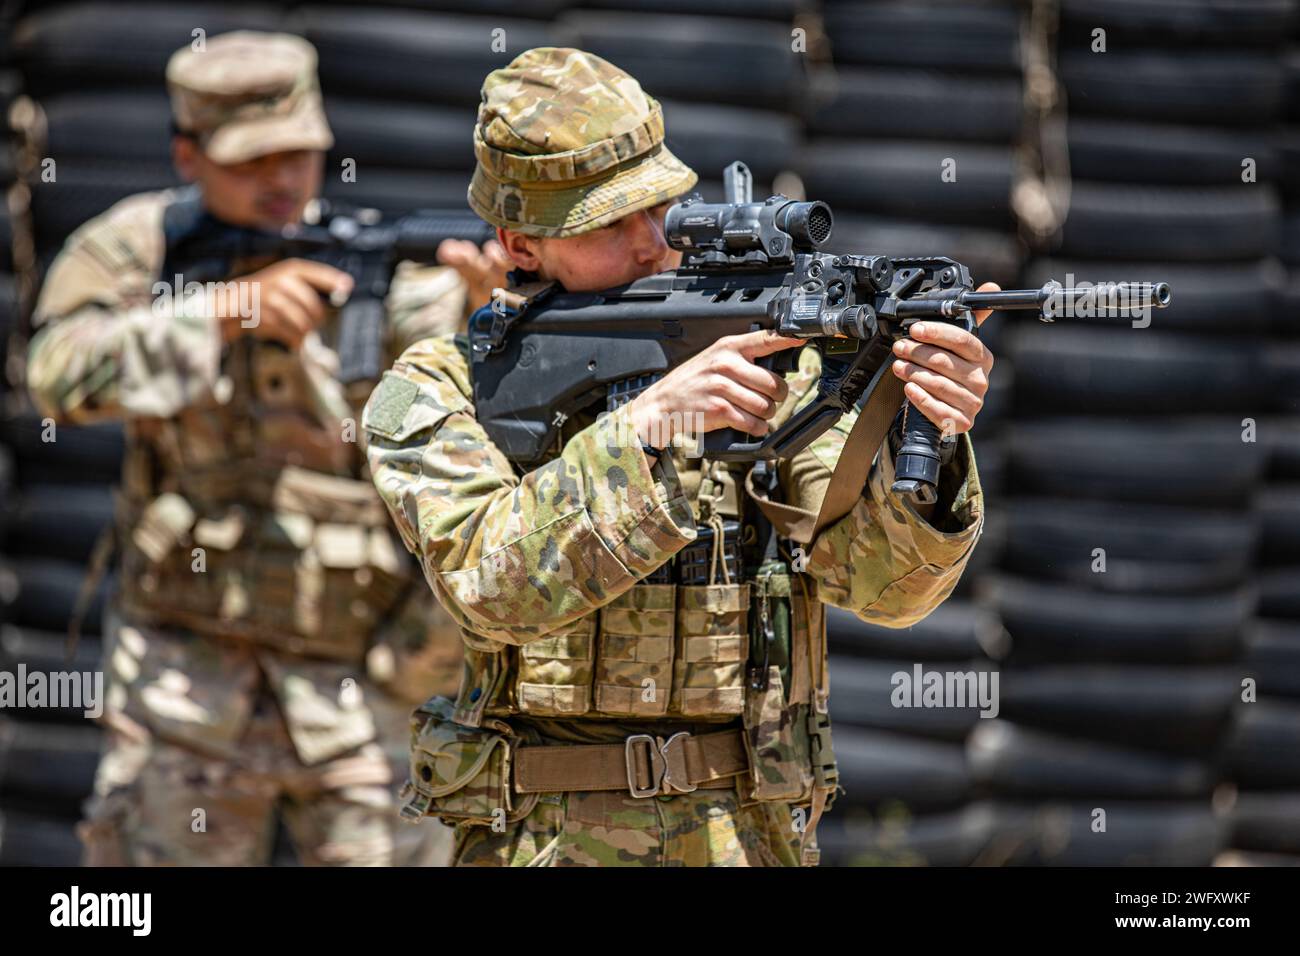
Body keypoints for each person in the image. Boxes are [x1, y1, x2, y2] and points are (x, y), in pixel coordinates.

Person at [363, 47, 995, 867]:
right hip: (545, 844)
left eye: (659, 206)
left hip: (752, 839)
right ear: (518, 244)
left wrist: (930, 436)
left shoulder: (772, 364)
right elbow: (490, 587)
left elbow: (884, 590)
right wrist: (646, 433)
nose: (649, 243)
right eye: (605, 222)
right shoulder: (436, 387)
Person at [26, 30, 474, 866]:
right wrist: (225, 311)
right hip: (183, 679)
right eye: (251, 160)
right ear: (186, 154)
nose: (281, 181)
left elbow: (467, 412)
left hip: (360, 679)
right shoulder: (138, 247)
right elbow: (56, 374)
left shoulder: (376, 265)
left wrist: (488, 317)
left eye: (300, 157)